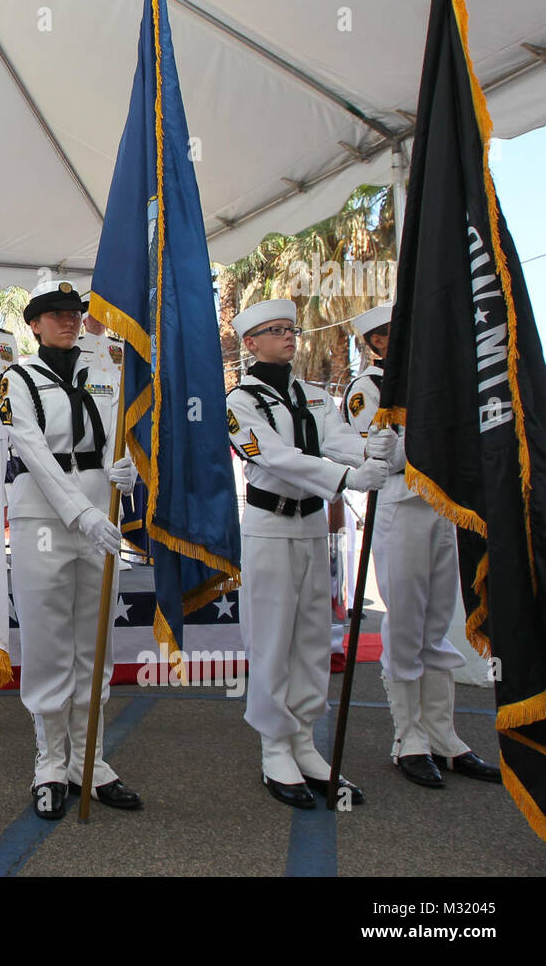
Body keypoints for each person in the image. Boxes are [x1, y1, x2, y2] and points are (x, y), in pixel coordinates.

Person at [226, 298, 396, 810]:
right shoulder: (239, 402)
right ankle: (274, 745)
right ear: (250, 343)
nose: (289, 337)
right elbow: (274, 456)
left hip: (310, 525)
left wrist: (371, 451)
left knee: (312, 639)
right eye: (275, 331)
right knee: (273, 639)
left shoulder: (315, 395)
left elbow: (338, 438)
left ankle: (304, 739)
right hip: (269, 524)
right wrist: (348, 477)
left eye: (292, 330)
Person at [0, 280, 140, 820]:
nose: (67, 322)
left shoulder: (107, 373)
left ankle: (92, 762)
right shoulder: (16, 379)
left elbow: (114, 439)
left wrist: (121, 471)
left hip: (102, 515)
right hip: (44, 518)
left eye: (73, 314)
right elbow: (31, 451)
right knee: (48, 642)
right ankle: (50, 763)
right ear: (33, 324)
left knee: (94, 643)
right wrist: (81, 512)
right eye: (53, 315)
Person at [343, 304, 500, 787]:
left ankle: (445, 736)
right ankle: (407, 738)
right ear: (376, 343)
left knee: (436, 627)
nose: (402, 340)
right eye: (390, 335)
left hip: (440, 509)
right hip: (402, 508)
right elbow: (382, 458)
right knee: (407, 627)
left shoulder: (433, 382)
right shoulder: (368, 390)